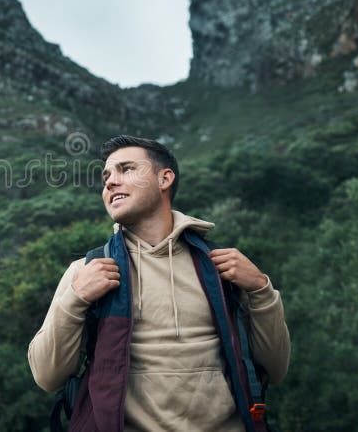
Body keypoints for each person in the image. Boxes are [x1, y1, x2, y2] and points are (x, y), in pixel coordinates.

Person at [28, 135, 290, 431]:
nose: (110, 182)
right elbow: (46, 377)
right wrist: (74, 299)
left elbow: (275, 370)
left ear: (164, 178)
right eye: (106, 176)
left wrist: (261, 290)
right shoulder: (86, 270)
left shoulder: (222, 267)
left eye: (126, 169)